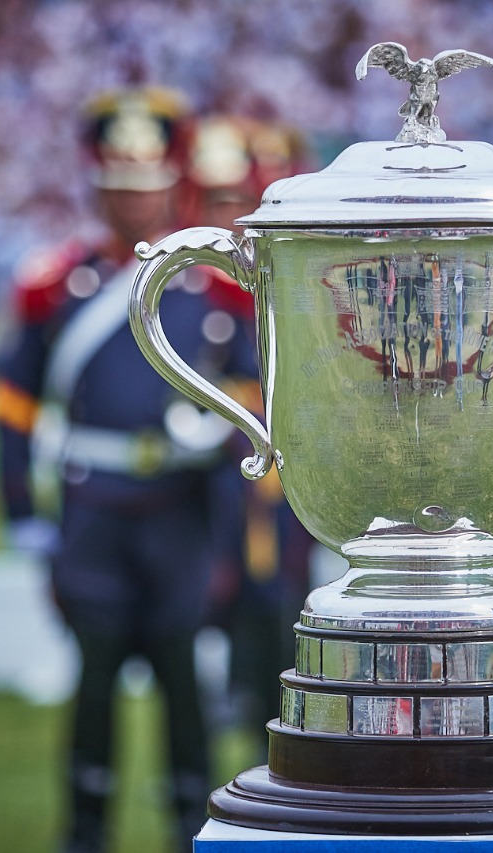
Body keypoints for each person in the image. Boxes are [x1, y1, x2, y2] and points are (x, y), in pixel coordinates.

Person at [0, 87, 254, 853]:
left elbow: (252, 398)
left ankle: (191, 824)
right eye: (118, 185)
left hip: (181, 511)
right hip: (92, 507)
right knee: (93, 678)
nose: (133, 202)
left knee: (183, 681)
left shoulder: (213, 286)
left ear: (175, 184)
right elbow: (10, 402)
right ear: (96, 187)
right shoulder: (54, 285)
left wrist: (226, 481)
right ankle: (84, 826)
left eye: (147, 185)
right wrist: (16, 506)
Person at [181, 113, 316, 748]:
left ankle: (275, 694)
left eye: (235, 199)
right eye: (214, 200)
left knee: (280, 580)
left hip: (274, 451)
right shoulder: (190, 286)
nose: (224, 215)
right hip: (208, 461)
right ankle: (225, 691)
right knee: (213, 578)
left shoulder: (277, 279)